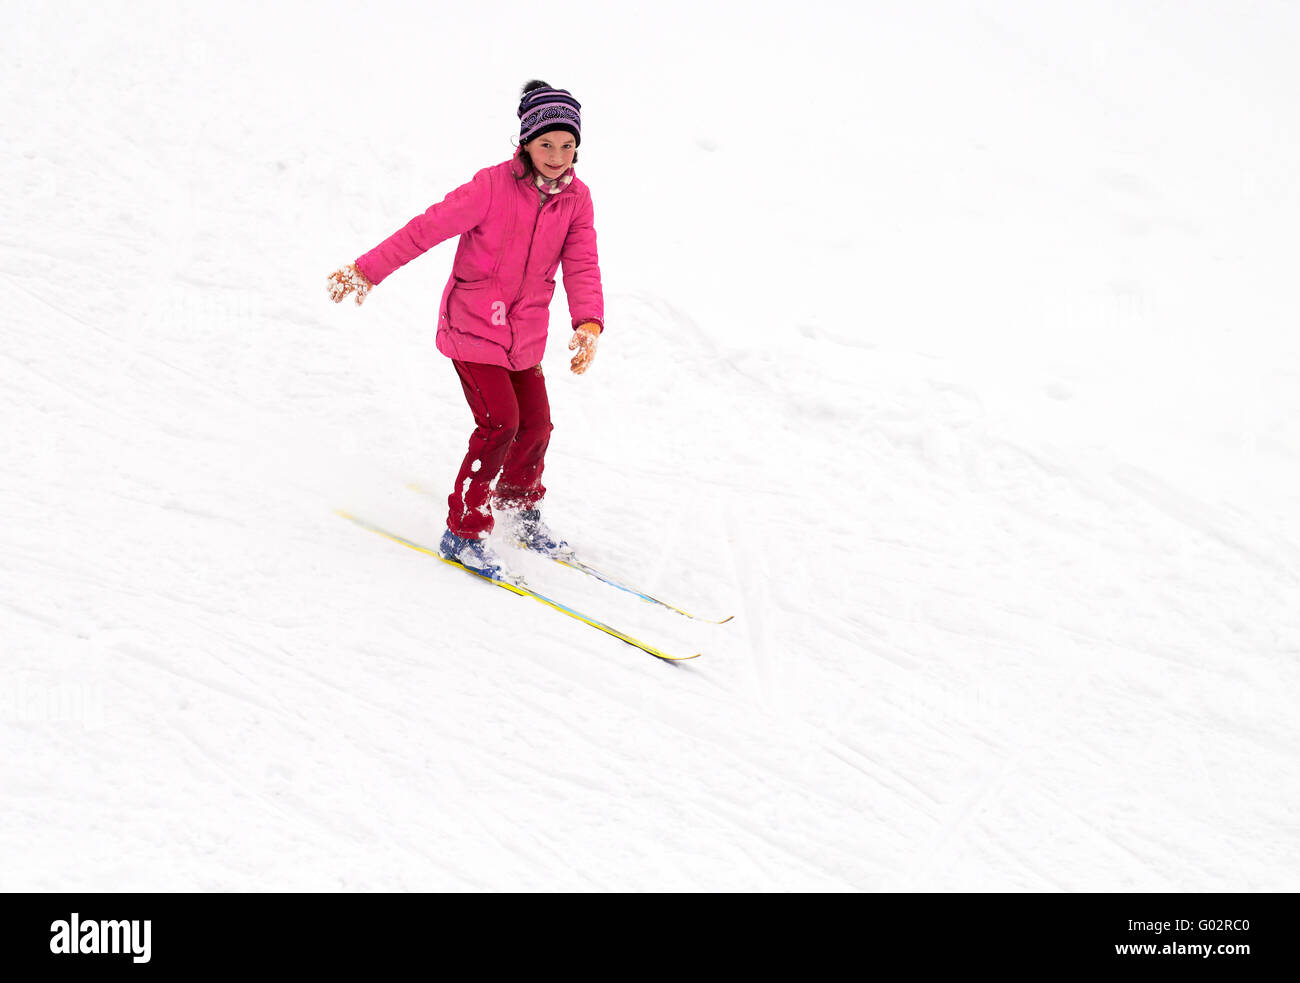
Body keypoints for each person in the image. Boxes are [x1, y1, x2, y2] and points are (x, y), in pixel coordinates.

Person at [327, 80, 604, 583]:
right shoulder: (491, 187)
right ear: (525, 142)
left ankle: (517, 509)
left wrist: (588, 322)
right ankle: (464, 531)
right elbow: (425, 228)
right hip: (474, 326)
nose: (558, 156)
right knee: (501, 423)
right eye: (546, 144)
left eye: (568, 146)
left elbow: (583, 263)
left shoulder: (576, 201)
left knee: (536, 425)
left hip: (525, 335)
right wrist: (367, 269)